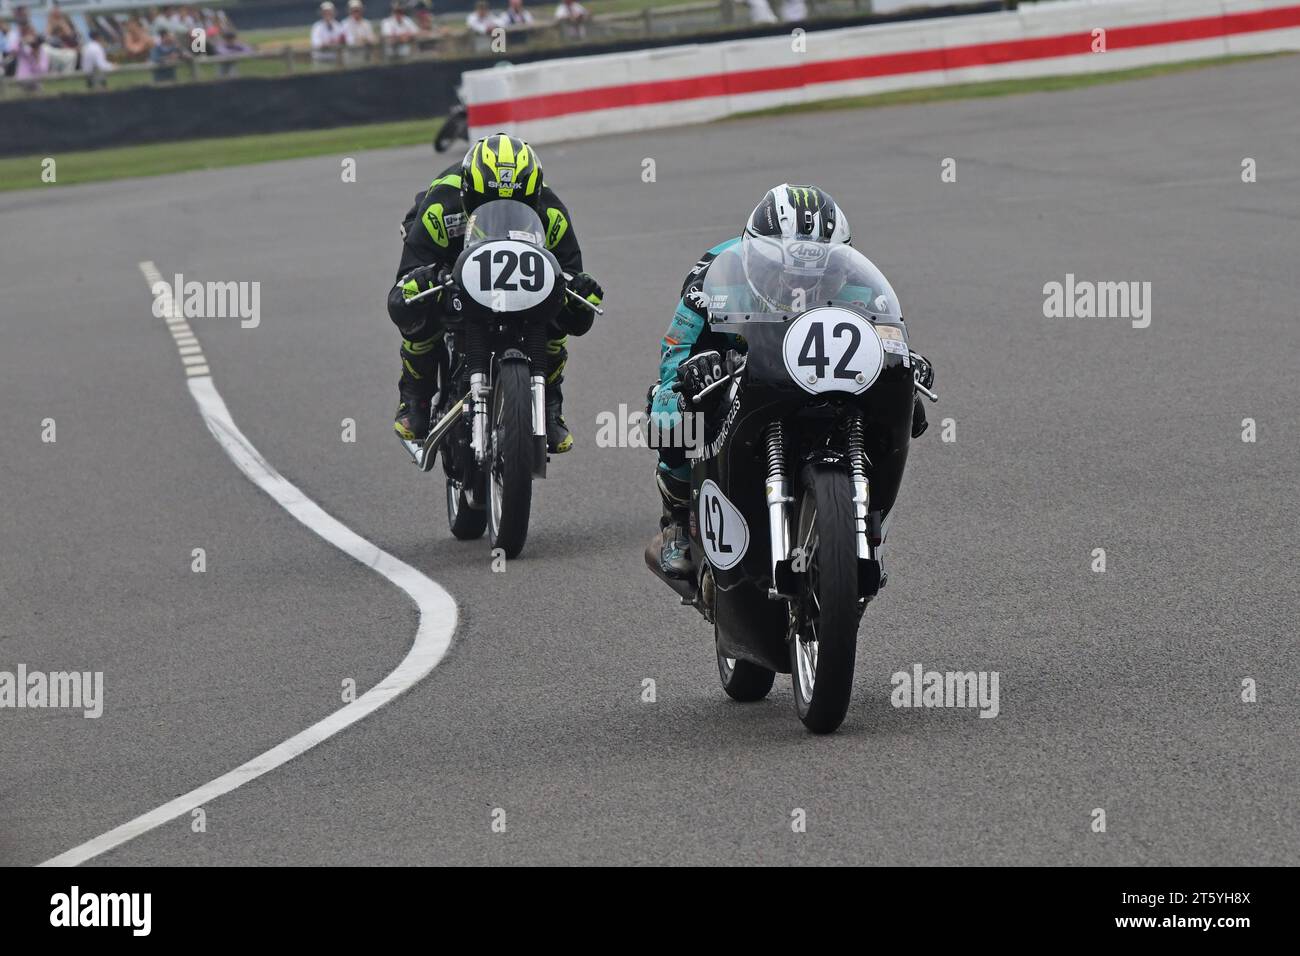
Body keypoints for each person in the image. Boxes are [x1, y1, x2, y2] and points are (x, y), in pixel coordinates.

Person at [647, 184, 933, 578]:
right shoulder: (711, 276)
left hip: (821, 378)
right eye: (787, 272)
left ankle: (867, 527)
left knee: (903, 405)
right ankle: (678, 520)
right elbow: (674, 353)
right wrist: (693, 369)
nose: (800, 285)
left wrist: (905, 363)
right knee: (669, 412)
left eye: (817, 275)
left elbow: (883, 333)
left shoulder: (856, 280)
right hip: (745, 374)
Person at [388, 133, 604, 452]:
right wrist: (423, 279)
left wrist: (580, 290)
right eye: (489, 203)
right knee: (419, 307)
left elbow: (570, 280)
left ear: (533, 196)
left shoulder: (552, 214)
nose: (502, 212)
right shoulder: (440, 206)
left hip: (520, 274)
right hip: (453, 264)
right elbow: (401, 292)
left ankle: (550, 407)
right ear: (467, 193)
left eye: (516, 204)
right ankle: (414, 399)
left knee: (555, 316)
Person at [310, 1, 345, 67]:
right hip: (320, 60)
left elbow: (342, 42)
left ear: (333, 13)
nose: (327, 14)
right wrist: (331, 43)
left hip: (335, 60)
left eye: (329, 12)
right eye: (325, 12)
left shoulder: (338, 26)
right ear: (322, 13)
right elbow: (317, 44)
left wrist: (334, 43)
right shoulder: (317, 27)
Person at [340, 0, 374, 65]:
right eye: (353, 10)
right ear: (350, 11)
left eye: (357, 10)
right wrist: (363, 40)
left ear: (361, 10)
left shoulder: (367, 23)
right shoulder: (344, 24)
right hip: (350, 58)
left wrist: (364, 40)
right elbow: (349, 41)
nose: (356, 12)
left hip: (365, 56)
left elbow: (372, 39)